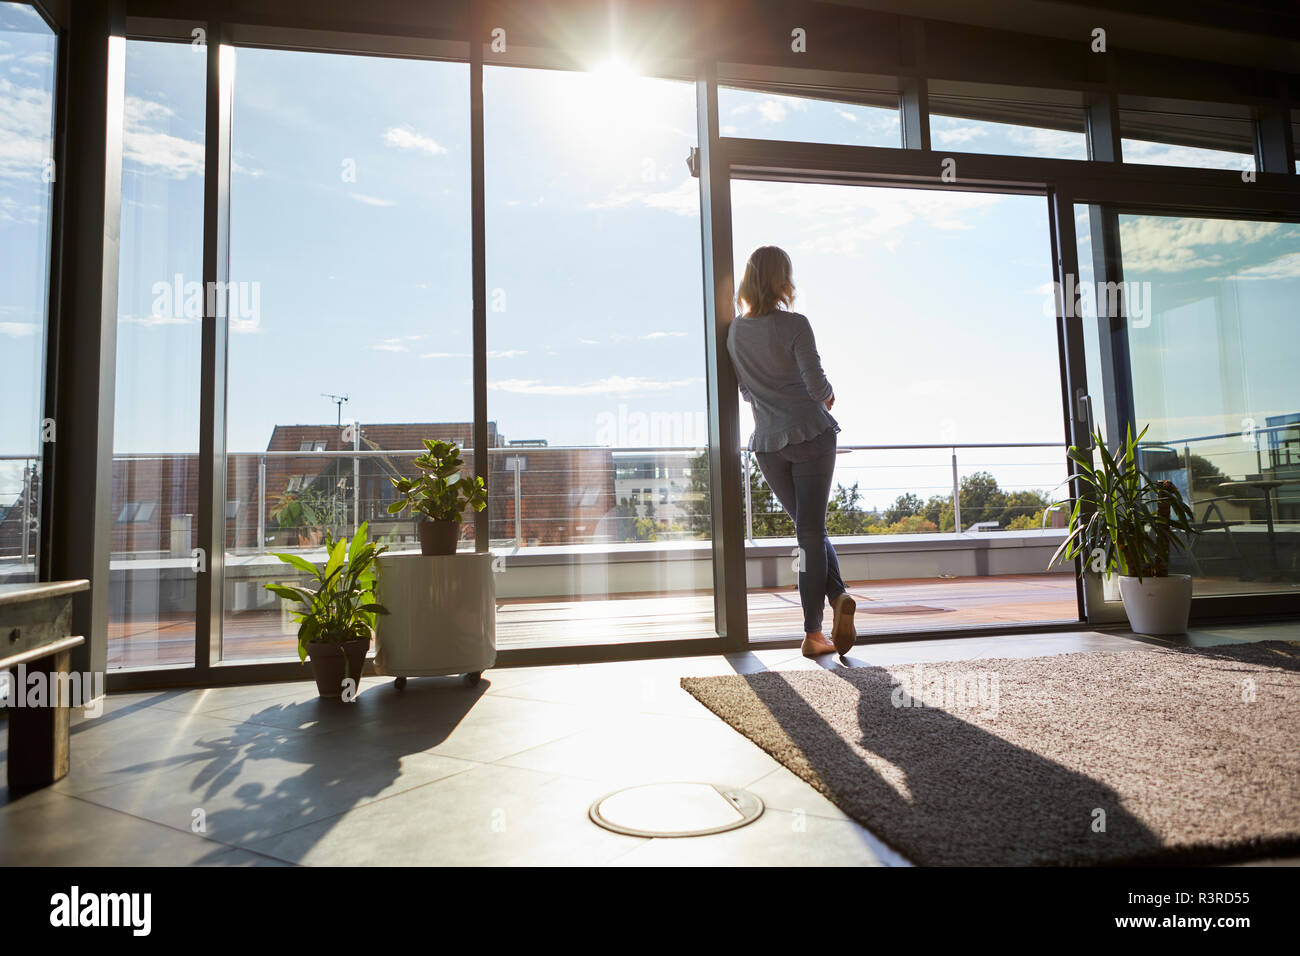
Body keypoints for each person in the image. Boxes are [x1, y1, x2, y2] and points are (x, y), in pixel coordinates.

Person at [727, 245, 856, 658]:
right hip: (811, 434)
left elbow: (745, 391)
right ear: (783, 280)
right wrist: (830, 396)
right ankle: (813, 630)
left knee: (808, 531)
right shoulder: (796, 323)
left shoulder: (734, 332)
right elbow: (817, 384)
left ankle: (833, 604)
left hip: (767, 443)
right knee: (811, 531)